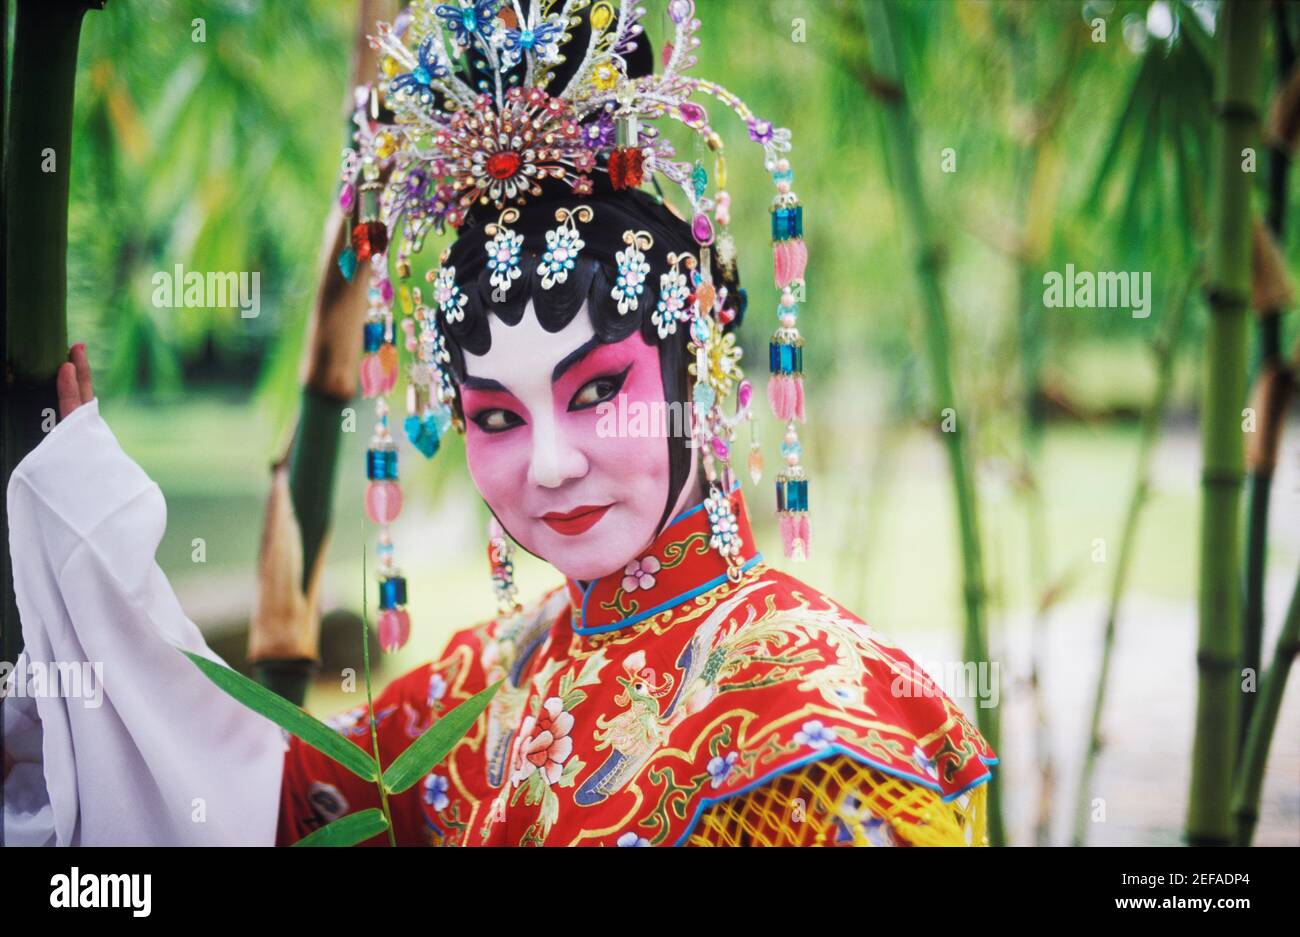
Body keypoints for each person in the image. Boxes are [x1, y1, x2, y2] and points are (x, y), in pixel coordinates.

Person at [4, 0, 995, 847]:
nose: (552, 464)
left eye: (598, 392)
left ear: (703, 366)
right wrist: (87, 535)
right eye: (494, 415)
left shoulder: (821, 718)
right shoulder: (481, 687)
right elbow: (255, 801)